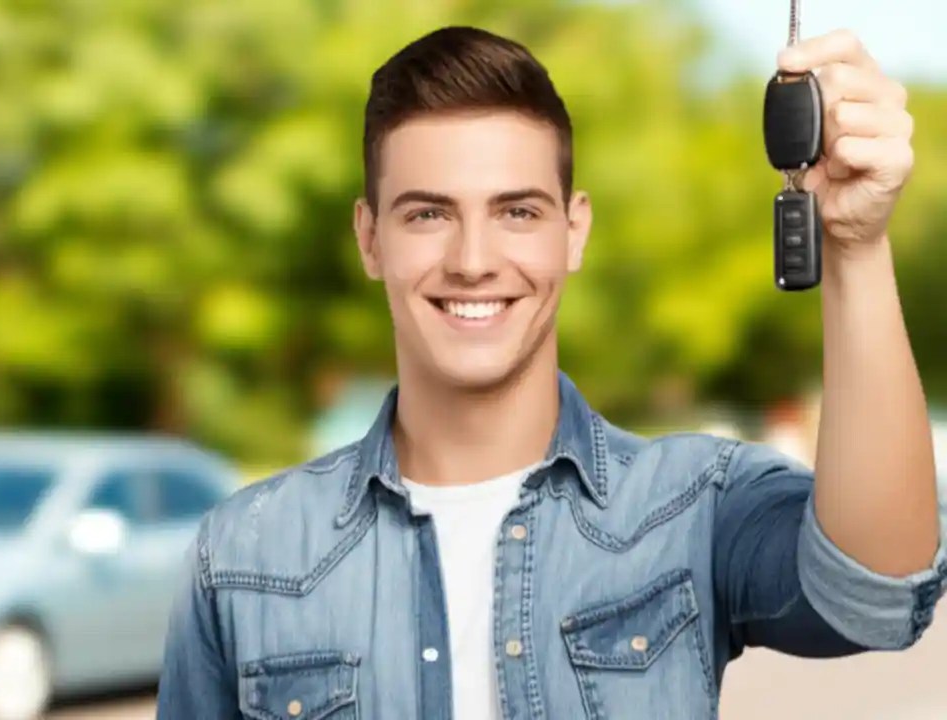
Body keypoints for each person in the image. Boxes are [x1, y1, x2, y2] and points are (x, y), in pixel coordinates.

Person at [157, 25, 945, 719]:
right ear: (370, 238)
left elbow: (875, 597)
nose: (472, 261)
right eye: (429, 213)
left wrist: (856, 245)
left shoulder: (693, 508)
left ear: (574, 231)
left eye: (518, 212)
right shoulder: (243, 556)